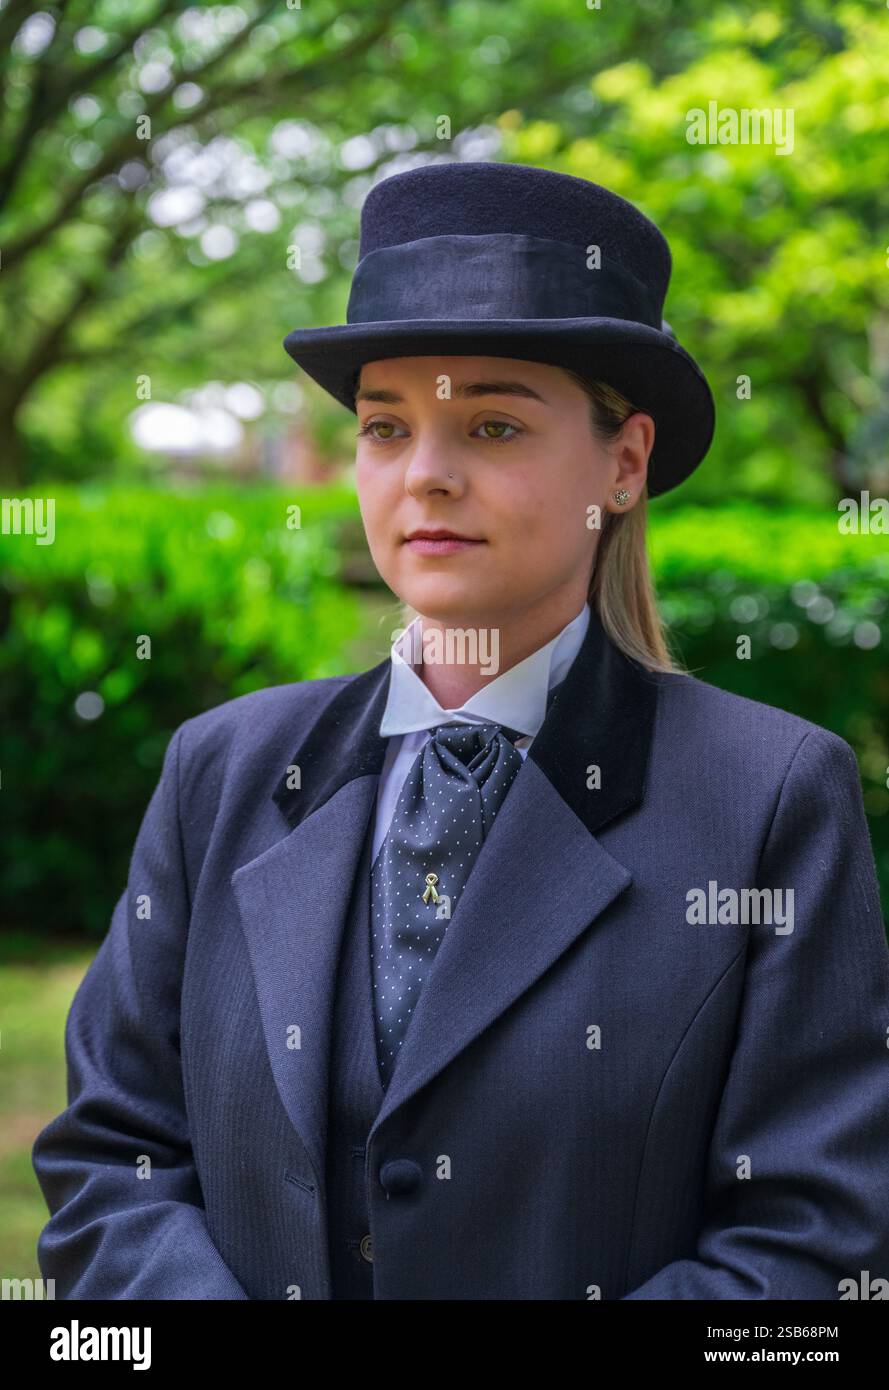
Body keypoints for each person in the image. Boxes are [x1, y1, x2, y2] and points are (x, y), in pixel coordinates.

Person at [33, 161, 889, 1300]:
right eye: (386, 427)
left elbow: (812, 1252)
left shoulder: (768, 796)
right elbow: (113, 1159)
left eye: (489, 423)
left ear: (623, 463)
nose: (424, 477)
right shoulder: (221, 771)